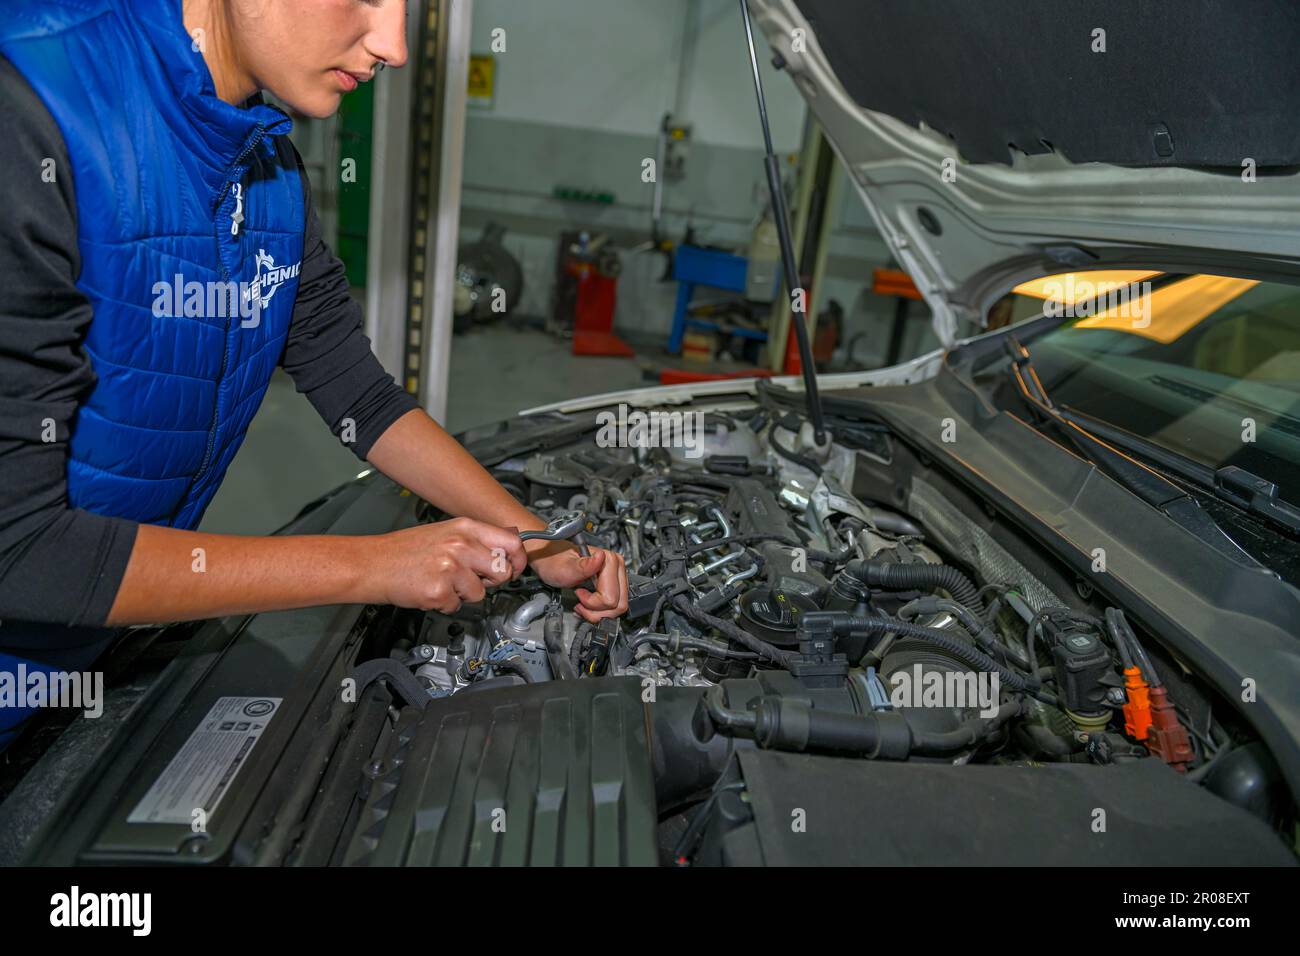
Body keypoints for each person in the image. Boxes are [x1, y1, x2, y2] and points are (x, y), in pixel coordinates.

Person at [0, 0, 628, 748]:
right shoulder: (31, 110)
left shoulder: (267, 169)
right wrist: (372, 567)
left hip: (93, 646)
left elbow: (358, 394)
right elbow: (21, 550)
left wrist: (537, 539)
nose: (393, 45)